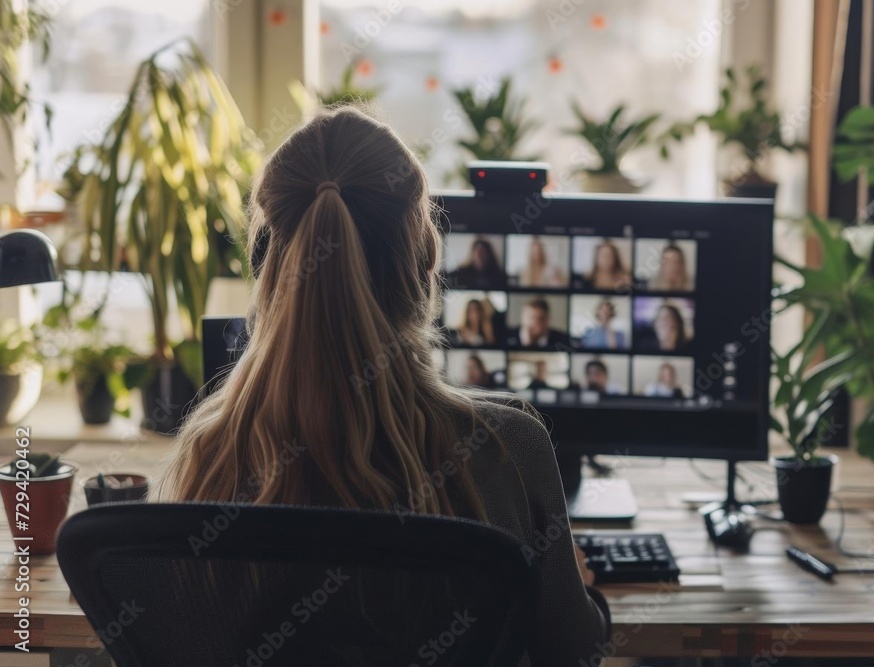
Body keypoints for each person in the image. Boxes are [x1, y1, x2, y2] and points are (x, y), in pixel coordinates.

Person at [158, 108, 608, 664]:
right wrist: (579, 587)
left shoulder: (211, 453)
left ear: (267, 260)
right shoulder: (508, 449)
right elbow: (574, 650)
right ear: (424, 259)